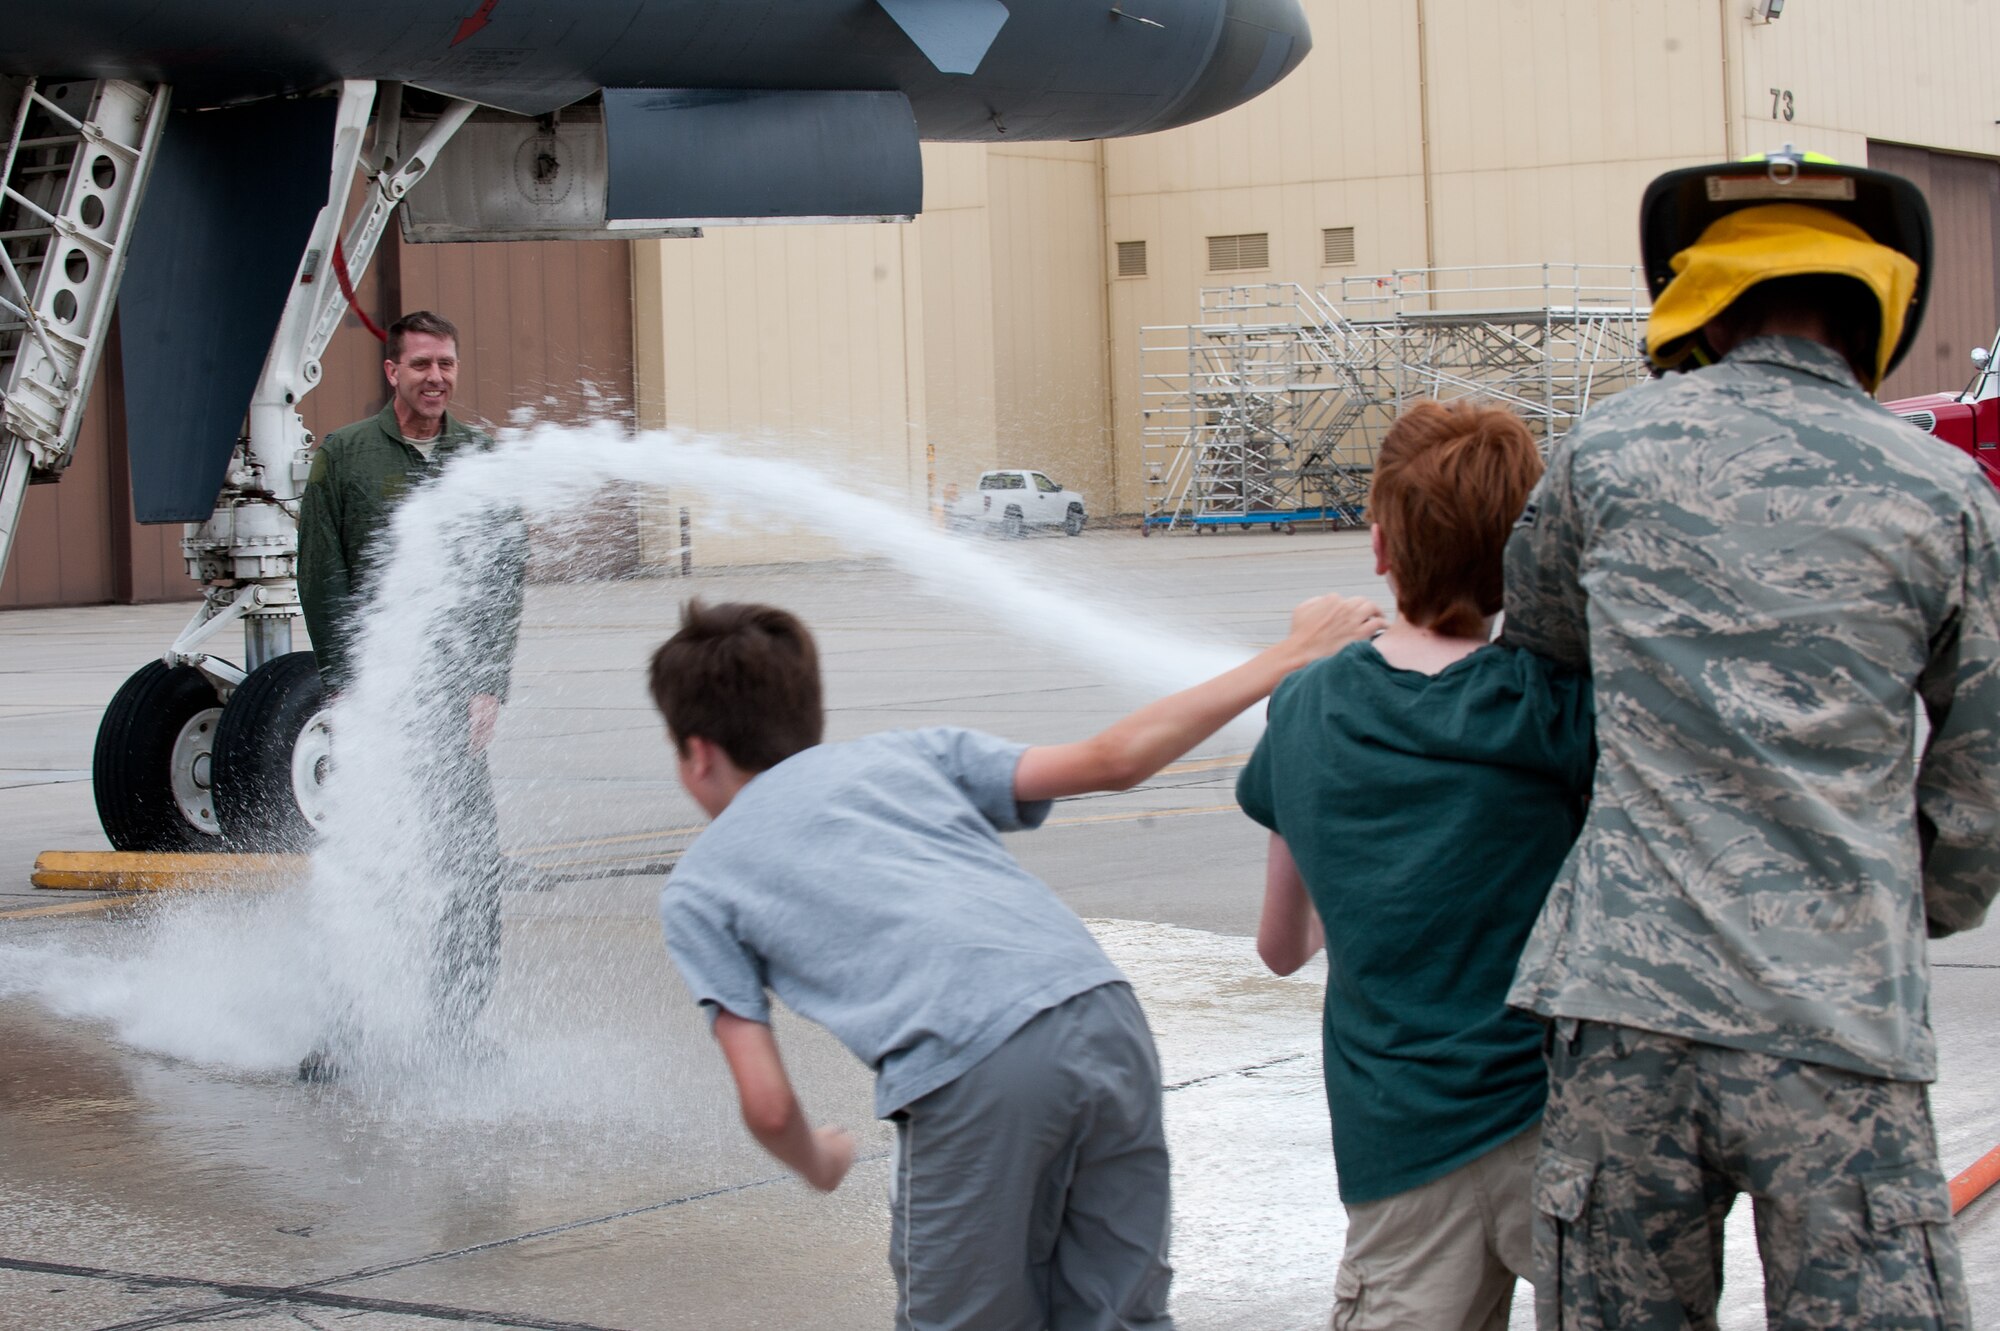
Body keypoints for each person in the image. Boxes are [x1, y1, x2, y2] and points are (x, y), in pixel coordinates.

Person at [1503, 150, 2000, 1329]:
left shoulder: (1601, 455)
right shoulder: (1945, 493)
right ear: (1874, 308)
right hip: (1838, 1029)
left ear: (1699, 306)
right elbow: (1983, 776)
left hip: (1624, 1010)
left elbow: (1538, 648)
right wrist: (1891, 900)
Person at [647, 593, 1386, 1331]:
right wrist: (1289, 655)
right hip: (1103, 1011)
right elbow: (1117, 759)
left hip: (975, 1063)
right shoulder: (906, 755)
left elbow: (769, 1103)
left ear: (698, 752)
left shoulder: (704, 884)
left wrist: (819, 1160)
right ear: (809, 713)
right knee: (1122, 1312)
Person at [1236, 400, 1593, 1331]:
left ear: (1381, 545)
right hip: (1551, 1124)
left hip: (1399, 1146)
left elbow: (1282, 946)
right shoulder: (1551, 703)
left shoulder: (1305, 705)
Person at [296, 310, 528, 1075]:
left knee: (471, 870)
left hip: (455, 704)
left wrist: (490, 682)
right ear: (391, 370)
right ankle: (342, 1028)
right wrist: (345, 684)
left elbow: (503, 578)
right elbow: (322, 577)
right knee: (372, 863)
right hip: (381, 702)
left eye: (447, 364)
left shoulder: (479, 457)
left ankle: (454, 1027)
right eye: (421, 364)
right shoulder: (346, 457)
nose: (437, 377)